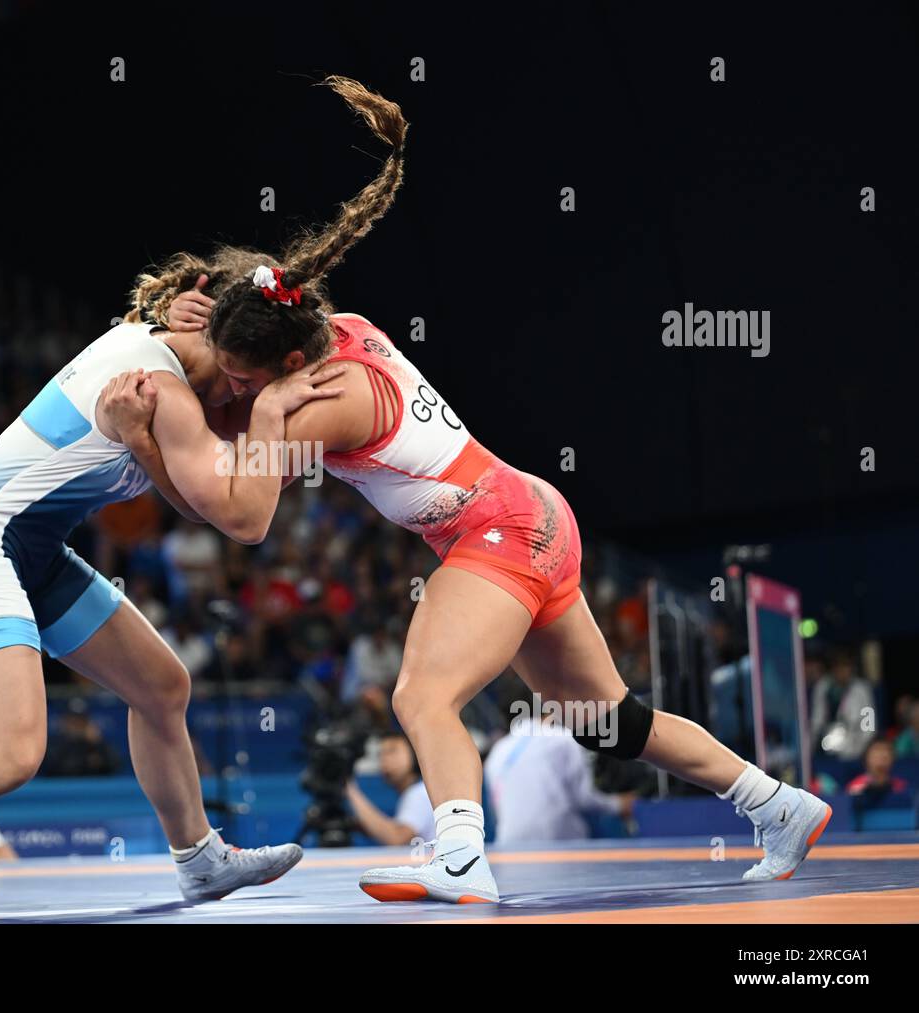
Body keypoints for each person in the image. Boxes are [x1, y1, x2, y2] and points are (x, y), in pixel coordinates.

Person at [103, 76, 834, 904]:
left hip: (498, 529)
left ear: (290, 369)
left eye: (241, 378)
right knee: (609, 721)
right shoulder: (337, 331)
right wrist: (229, 351)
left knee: (424, 692)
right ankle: (777, 804)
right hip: (530, 514)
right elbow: (256, 349)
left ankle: (459, 854)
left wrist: (150, 436)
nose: (229, 390)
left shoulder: (312, 402)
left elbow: (240, 518)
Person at [0, 215, 348, 924]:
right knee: (13, 749)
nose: (243, 398)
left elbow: (206, 482)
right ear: (229, 352)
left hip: (33, 548)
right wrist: (244, 425)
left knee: (163, 685)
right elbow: (242, 520)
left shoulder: (175, 346)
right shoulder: (160, 391)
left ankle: (198, 859)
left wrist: (160, 436)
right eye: (246, 385)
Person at [484, 710, 634, 845]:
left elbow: (496, 809)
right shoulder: (563, 739)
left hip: (508, 847)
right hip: (559, 846)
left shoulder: (498, 750)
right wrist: (620, 804)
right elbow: (585, 798)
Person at [346, 732, 435, 846]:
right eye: (380, 754)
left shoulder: (419, 793)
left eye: (392, 751)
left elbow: (397, 839)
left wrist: (350, 789)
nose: (385, 759)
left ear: (415, 753)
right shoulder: (417, 791)